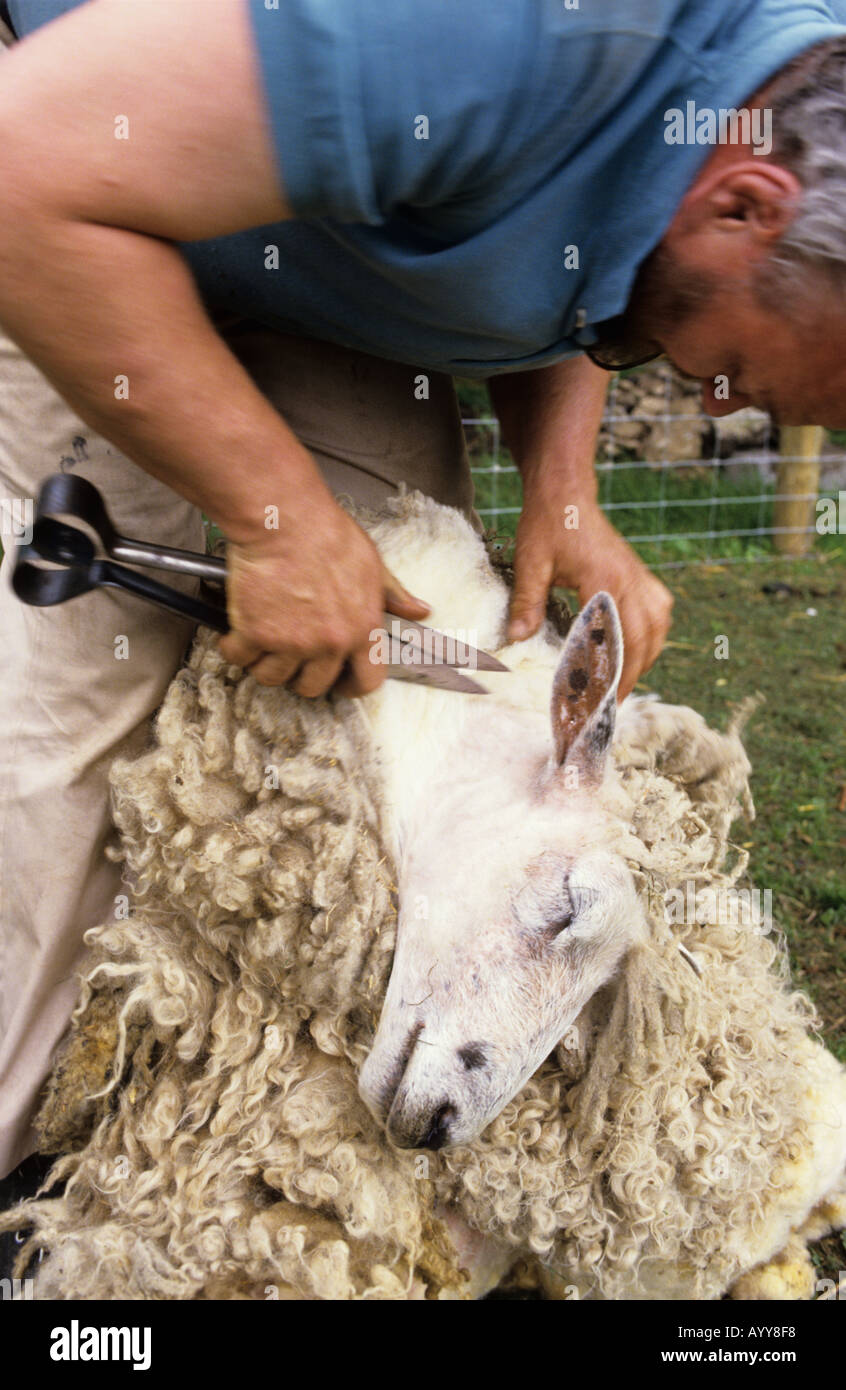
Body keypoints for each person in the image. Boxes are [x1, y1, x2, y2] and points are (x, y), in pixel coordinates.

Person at [1, 0, 845, 1180]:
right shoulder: (498, 33)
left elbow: (599, 250)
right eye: (746, 378)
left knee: (404, 663)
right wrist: (271, 517)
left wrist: (563, 487)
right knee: (86, 698)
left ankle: (288, 1119)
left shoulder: (775, 93)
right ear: (750, 209)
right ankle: (31, 1165)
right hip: (74, 184)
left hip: (332, 231)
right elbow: (28, 164)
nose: (731, 406)